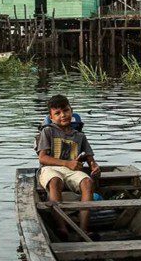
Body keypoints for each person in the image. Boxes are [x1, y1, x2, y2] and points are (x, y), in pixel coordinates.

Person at [36, 94, 101, 237]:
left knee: (87, 183)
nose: (63, 115)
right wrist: (66, 163)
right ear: (51, 117)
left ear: (71, 111)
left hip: (72, 170)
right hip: (51, 168)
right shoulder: (48, 131)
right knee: (55, 181)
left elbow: (91, 159)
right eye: (57, 113)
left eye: (66, 111)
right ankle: (62, 227)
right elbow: (43, 158)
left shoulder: (79, 136)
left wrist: (94, 167)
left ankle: (84, 229)